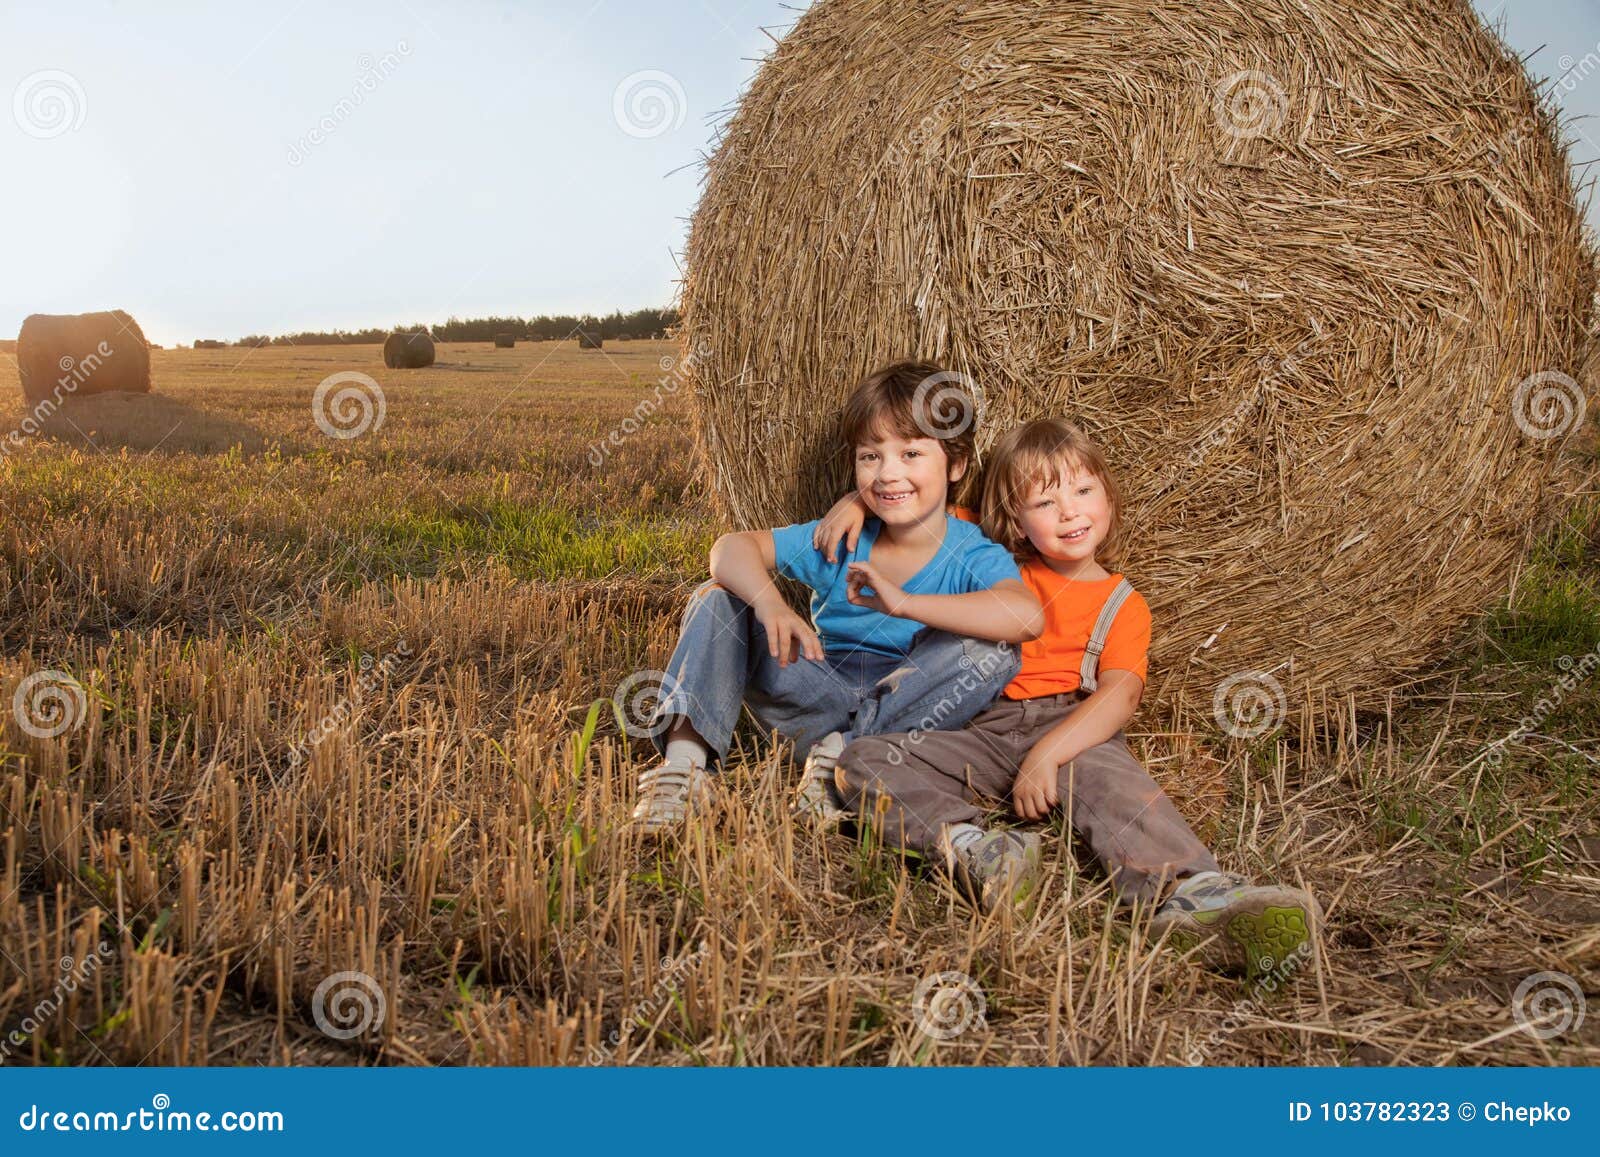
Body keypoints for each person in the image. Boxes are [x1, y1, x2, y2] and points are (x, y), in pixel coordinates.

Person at [824, 418, 1316, 977]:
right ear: (1014, 519)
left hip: (1072, 725)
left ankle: (1190, 895)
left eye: (1083, 490)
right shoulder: (988, 558)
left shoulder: (1122, 603)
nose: (1070, 512)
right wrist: (852, 504)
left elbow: (1120, 695)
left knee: (1119, 783)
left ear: (1107, 495)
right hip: (977, 727)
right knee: (863, 761)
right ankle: (978, 853)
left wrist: (1049, 754)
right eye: (1045, 501)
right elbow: (909, 504)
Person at [629, 361, 1044, 834]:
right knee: (716, 598)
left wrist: (903, 604)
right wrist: (771, 604)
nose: (888, 474)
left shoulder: (973, 551)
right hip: (817, 692)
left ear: (957, 464)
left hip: (905, 710)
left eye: (910, 454)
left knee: (994, 649)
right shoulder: (839, 539)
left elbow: (1026, 616)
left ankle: (840, 756)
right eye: (871, 456)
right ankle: (685, 769)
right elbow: (730, 548)